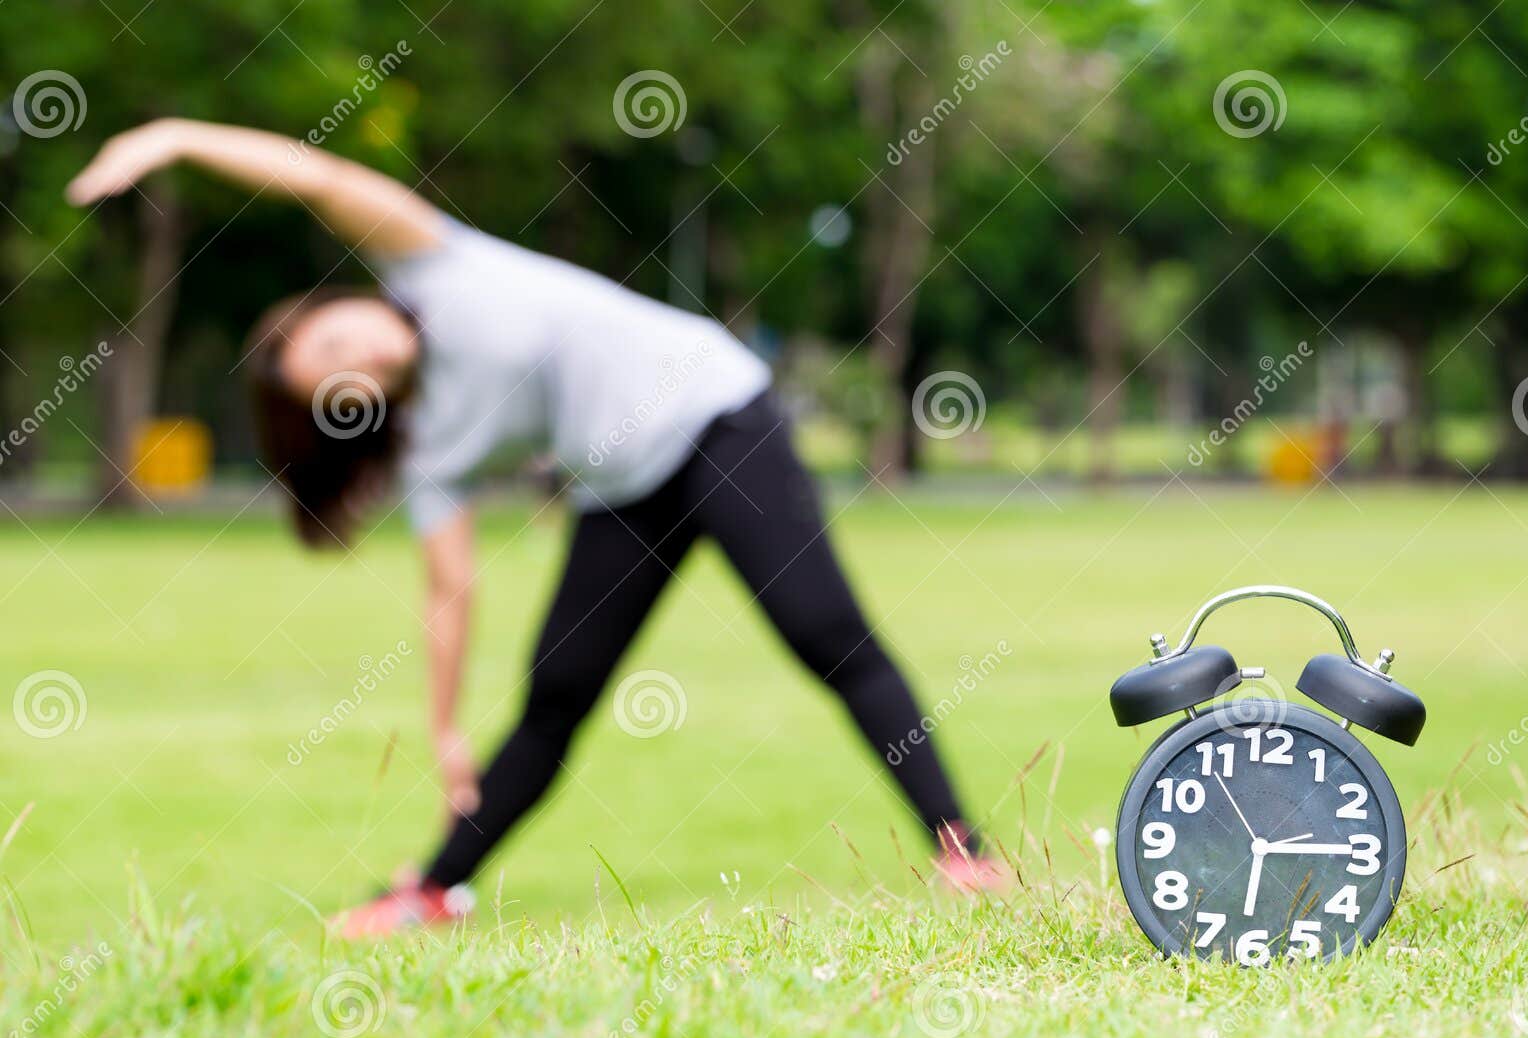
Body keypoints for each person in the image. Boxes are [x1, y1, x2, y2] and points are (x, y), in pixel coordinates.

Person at [67, 118, 1005, 937]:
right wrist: (440, 728)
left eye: (339, 334)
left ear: (345, 301)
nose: (357, 352)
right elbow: (448, 587)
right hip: (622, 483)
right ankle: (433, 890)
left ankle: (965, 852)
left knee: (826, 633)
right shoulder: (432, 446)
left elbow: (317, 179)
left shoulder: (429, 260)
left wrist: (177, 140)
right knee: (556, 691)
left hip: (719, 414)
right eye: (337, 375)